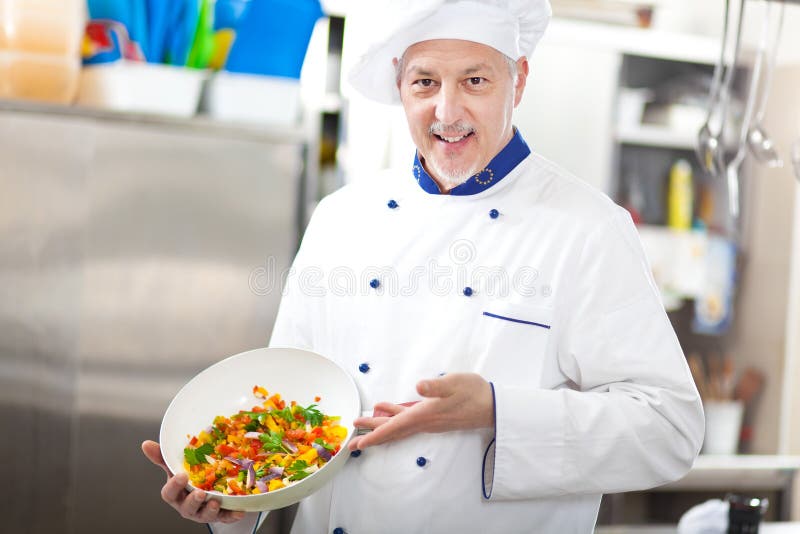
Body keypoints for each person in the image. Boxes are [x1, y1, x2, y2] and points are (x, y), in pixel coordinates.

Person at [143, 0, 705, 532]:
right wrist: (236, 499)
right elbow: (288, 412)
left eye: (475, 81)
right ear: (400, 88)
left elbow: (670, 429)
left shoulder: (587, 230)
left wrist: (494, 410)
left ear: (520, 80)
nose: (447, 111)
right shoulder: (340, 217)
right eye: (425, 82)